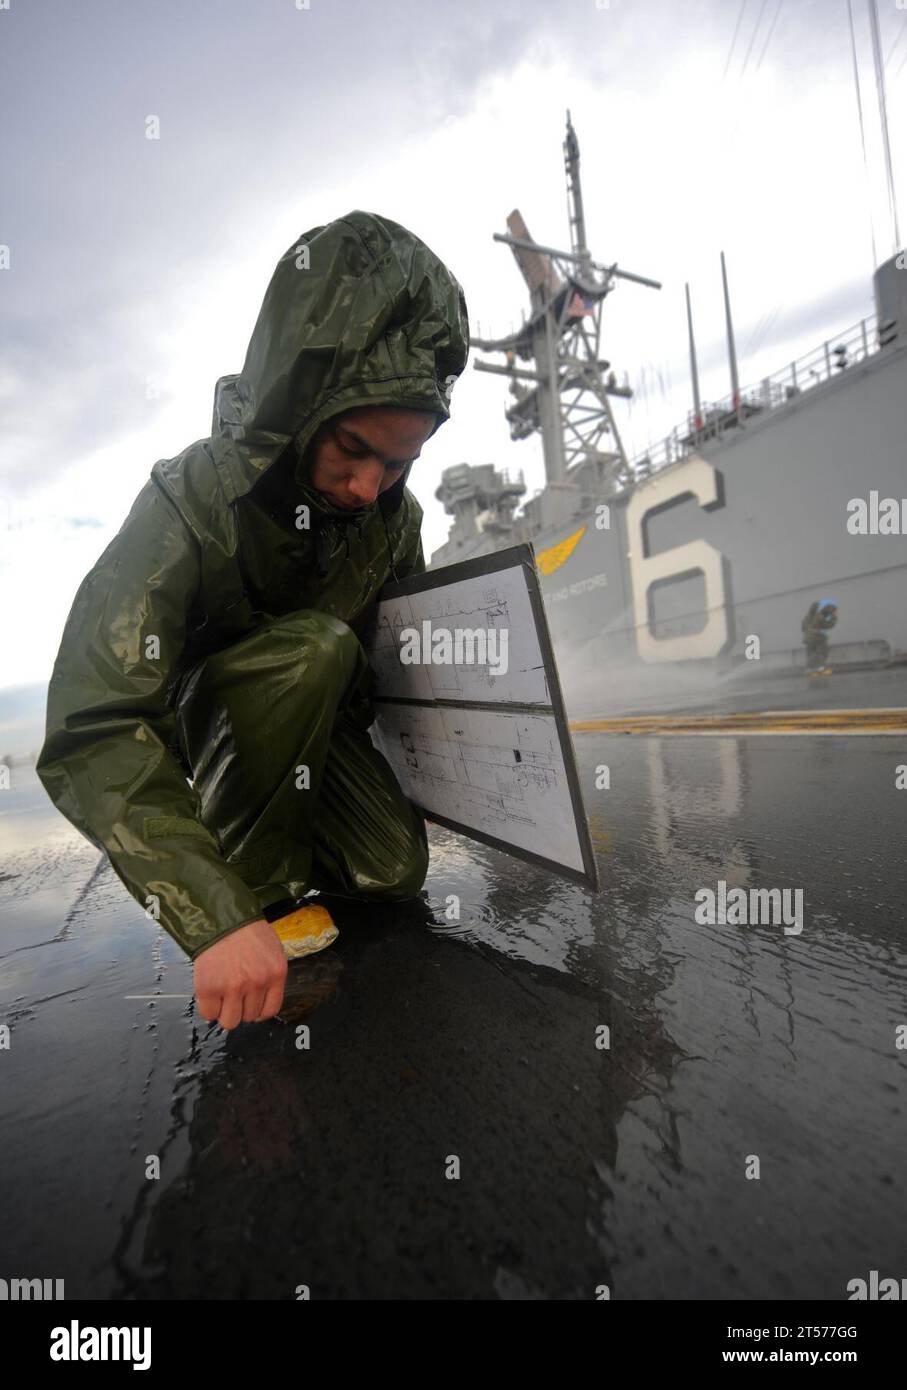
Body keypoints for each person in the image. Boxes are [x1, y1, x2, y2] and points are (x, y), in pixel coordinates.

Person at [36, 211, 470, 1031]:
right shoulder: (190, 496)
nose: (368, 486)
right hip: (217, 727)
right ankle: (257, 886)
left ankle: (291, 832)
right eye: (352, 448)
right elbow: (94, 721)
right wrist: (215, 916)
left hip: (316, 730)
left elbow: (401, 671)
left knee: (391, 871)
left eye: (399, 462)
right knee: (311, 649)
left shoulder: (391, 517)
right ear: (301, 405)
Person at [801, 597, 838, 673]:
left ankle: (809, 669)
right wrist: (833, 618)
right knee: (824, 650)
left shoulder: (806, 616)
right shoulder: (819, 616)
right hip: (816, 637)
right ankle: (820, 667)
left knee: (811, 653)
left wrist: (809, 631)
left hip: (807, 638)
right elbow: (827, 625)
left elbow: (803, 627)